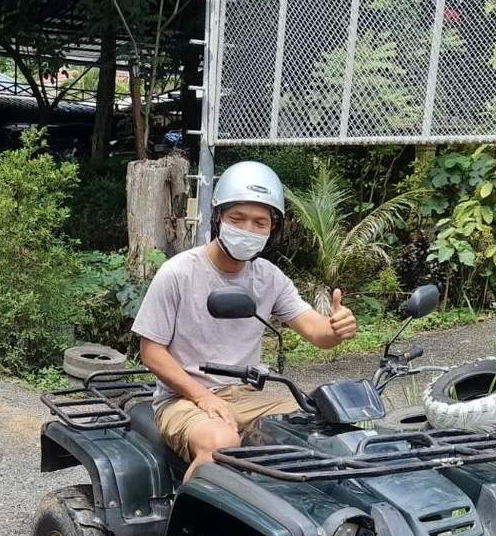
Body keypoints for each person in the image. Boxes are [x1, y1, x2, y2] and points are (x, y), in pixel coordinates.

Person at [132, 160, 358, 481]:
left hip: (247, 395)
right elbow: (151, 352)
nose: (248, 230)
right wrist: (202, 396)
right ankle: (190, 528)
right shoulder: (179, 273)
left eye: (259, 223)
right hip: (183, 398)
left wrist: (336, 329)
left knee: (316, 434)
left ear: (272, 229)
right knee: (221, 444)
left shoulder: (269, 278)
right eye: (238, 218)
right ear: (218, 217)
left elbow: (317, 332)